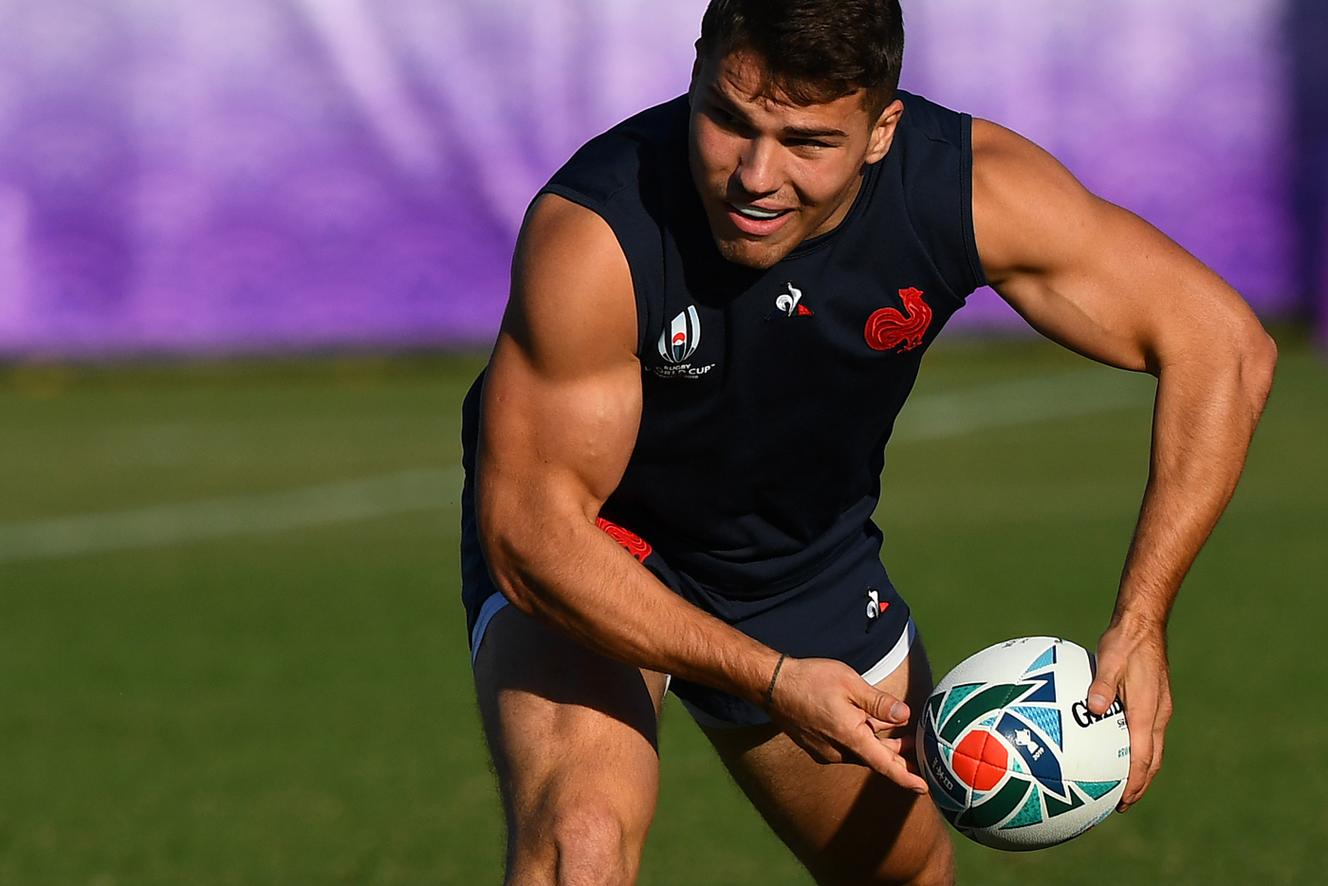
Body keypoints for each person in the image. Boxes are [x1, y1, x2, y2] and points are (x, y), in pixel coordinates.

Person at [457, 1, 1277, 882]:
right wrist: (771, 680)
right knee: (579, 843)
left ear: (882, 129)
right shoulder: (598, 229)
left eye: (807, 142)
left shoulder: (965, 187)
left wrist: (1142, 618)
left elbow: (1222, 346)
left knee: (905, 877)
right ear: (695, 74)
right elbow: (530, 538)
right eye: (729, 120)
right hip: (606, 540)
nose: (757, 175)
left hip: (797, 561)